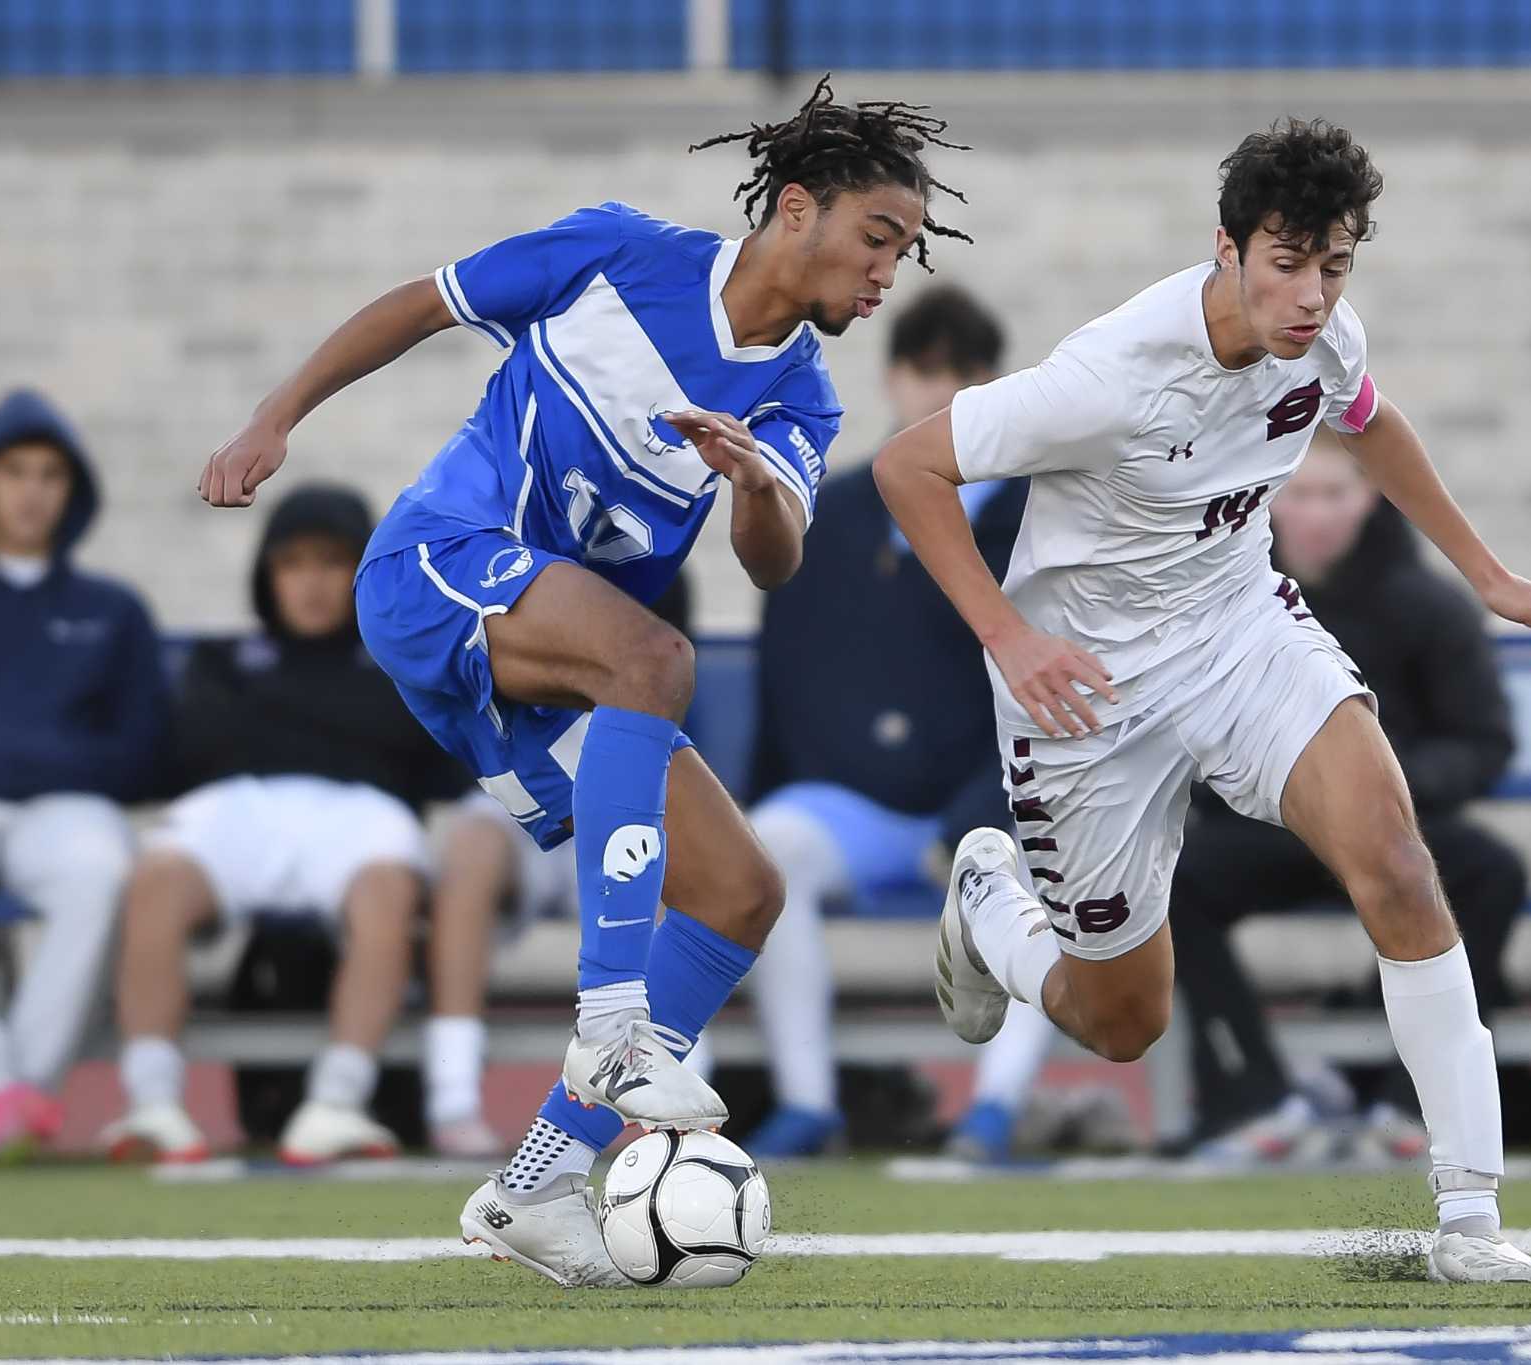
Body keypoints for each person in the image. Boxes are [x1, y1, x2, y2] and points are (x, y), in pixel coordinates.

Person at [195, 78, 970, 1286]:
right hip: (432, 571)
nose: (887, 275)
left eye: (903, 253)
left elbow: (771, 565)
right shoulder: (612, 253)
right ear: (796, 208)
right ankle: (609, 1026)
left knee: (742, 894)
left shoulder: (800, 396)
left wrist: (757, 482)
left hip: (544, 671)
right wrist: (275, 415)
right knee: (654, 656)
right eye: (878, 239)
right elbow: (422, 304)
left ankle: (533, 1185)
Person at [874, 117, 1531, 1283]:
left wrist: (1488, 573)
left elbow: (1370, 421)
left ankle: (1467, 1221)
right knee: (1119, 1023)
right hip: (1085, 691)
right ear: (1226, 248)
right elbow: (910, 465)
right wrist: (1007, 640)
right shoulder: (1107, 375)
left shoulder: (1323, 334)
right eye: (1286, 263)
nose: (1310, 296)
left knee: (1399, 863)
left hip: (1237, 631)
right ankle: (992, 909)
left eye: (1334, 266)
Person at [743, 285, 1056, 1160]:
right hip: (865, 810)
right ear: (891, 380)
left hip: (996, 805)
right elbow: (787, 673)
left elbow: (1059, 694)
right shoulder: (836, 512)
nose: (940, 394)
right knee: (763, 849)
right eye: (924, 372)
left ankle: (993, 1111)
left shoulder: (1043, 517)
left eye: (964, 374)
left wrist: (971, 816)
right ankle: (806, 1102)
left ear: (994, 386)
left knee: (1053, 857)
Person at [1169, 435, 1528, 1164]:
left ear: (1370, 496)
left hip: (1395, 838)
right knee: (1168, 878)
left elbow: (1482, 743)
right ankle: (1251, 1096)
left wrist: (1388, 792)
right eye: (1299, 494)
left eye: (1336, 493)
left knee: (1491, 871)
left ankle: (1413, 1104)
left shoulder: (1429, 606)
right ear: (1268, 496)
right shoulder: (1220, 601)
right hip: (1269, 826)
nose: (1317, 514)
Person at [101, 484, 467, 1165]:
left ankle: (338, 1100)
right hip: (236, 810)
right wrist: (349, 724)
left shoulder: (403, 660)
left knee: (388, 891)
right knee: (155, 878)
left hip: (362, 818)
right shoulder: (222, 658)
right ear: (269, 573)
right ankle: (152, 1104)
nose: (312, 582)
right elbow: (189, 749)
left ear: (362, 568)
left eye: (331, 561)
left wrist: (273, 717)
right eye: (293, 562)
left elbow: (435, 761)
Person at [0, 390, 167, 1162]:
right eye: (14, 471)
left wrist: (28, 759)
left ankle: (16, 1094)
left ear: (73, 491)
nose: (31, 490)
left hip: (67, 812)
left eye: (51, 474)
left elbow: (144, 750)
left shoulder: (114, 610)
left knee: (103, 866)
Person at [424, 578, 693, 1160]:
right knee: (469, 848)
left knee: (679, 864)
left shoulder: (648, 548)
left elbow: (665, 677)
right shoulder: (499, 555)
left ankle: (678, 1106)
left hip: (630, 795)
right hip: (525, 790)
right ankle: (452, 1095)